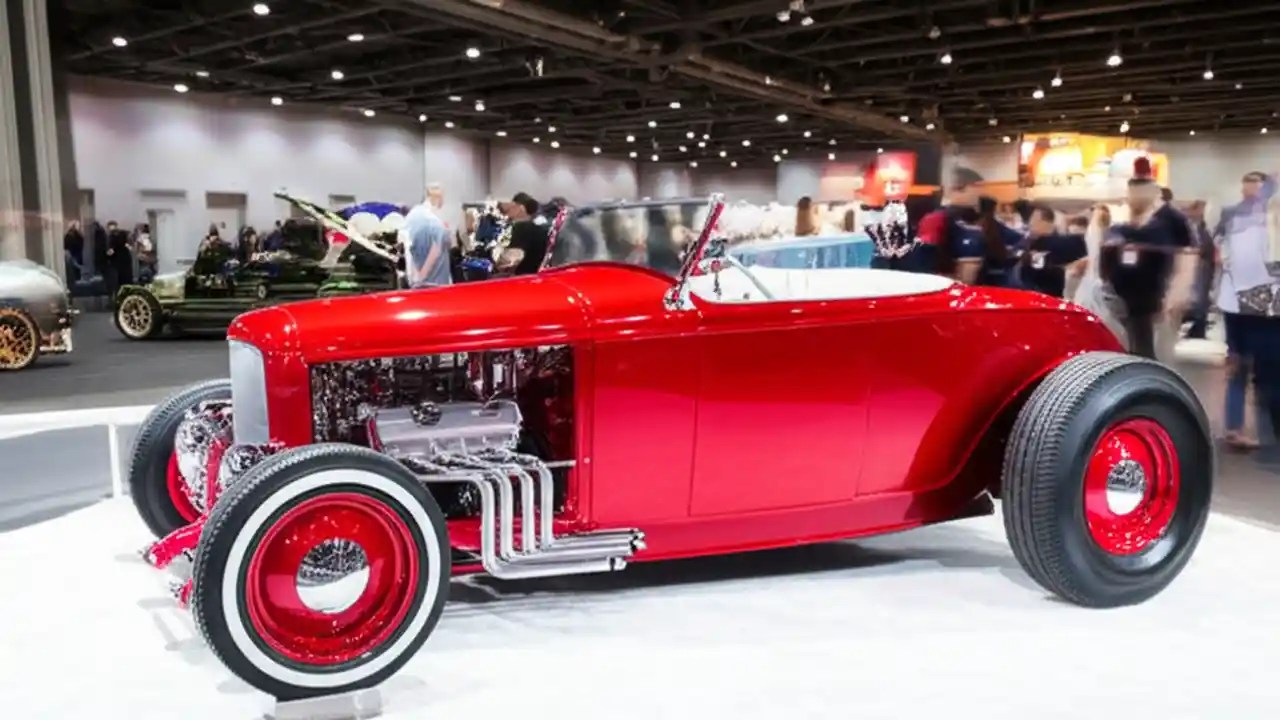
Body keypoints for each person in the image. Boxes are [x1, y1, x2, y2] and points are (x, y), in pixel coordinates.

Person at [1099, 159, 1194, 359]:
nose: (1132, 198)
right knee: (1134, 347)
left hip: (1158, 298)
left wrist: (1178, 291)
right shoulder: (1127, 219)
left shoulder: (1172, 219)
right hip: (1127, 299)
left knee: (1157, 352)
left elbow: (1187, 255)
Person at [1215, 171, 1277, 450]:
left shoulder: (1244, 220)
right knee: (1248, 369)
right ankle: (1241, 429)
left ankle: (1251, 431)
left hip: (1248, 303)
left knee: (1254, 371)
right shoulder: (1238, 218)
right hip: (1248, 306)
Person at [1069, 204, 1129, 346]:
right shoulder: (1113, 236)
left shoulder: (1096, 232)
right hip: (1099, 277)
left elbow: (1095, 255)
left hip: (1093, 277)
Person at [913, 166, 984, 280]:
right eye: (977, 187)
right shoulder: (944, 220)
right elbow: (925, 261)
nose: (980, 194)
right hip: (947, 286)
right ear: (959, 187)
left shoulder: (973, 219)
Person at [1016, 205, 1088, 298]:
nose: (1030, 224)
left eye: (1034, 220)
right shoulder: (1031, 242)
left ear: (1046, 222)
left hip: (1050, 293)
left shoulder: (1070, 242)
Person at [401, 193, 453, 289]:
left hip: (418, 282)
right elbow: (440, 248)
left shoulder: (410, 222)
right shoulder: (436, 222)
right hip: (437, 282)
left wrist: (419, 277)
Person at [1182, 200, 1215, 340]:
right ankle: (1198, 326)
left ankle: (1199, 326)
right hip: (1201, 265)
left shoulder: (1199, 228)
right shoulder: (1196, 227)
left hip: (1201, 265)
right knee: (1200, 297)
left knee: (1200, 297)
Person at [497, 192, 551, 275]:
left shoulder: (521, 227)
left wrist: (499, 260)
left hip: (521, 278)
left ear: (520, 208)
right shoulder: (541, 228)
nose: (507, 215)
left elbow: (510, 261)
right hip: (536, 277)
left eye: (508, 211)